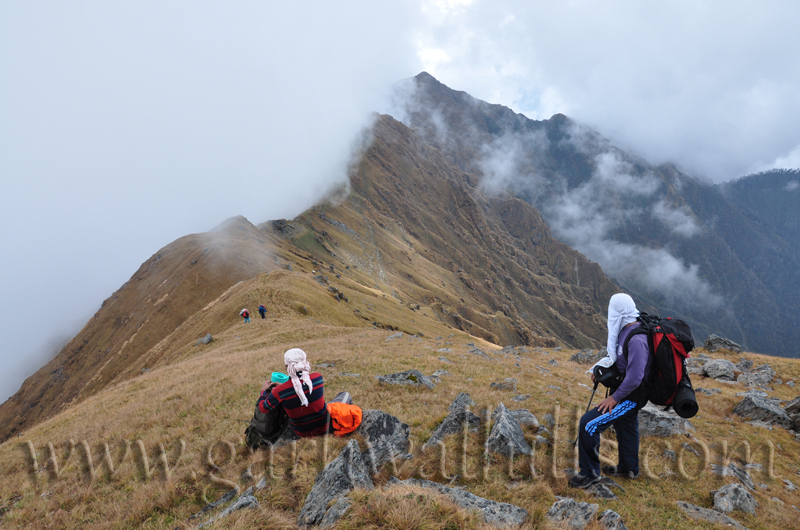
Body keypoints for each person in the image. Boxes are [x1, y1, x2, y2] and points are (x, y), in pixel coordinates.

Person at [570, 293, 651, 488]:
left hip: (631, 396)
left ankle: (589, 474)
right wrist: (602, 372)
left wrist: (614, 398)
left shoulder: (637, 340)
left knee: (588, 424)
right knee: (626, 425)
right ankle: (629, 468)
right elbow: (623, 364)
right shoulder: (628, 329)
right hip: (628, 393)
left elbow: (635, 377)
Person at [249, 348, 354, 445]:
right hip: (324, 426)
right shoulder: (317, 378)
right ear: (304, 362)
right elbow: (302, 388)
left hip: (301, 432)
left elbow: (263, 408)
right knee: (345, 395)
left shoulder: (280, 391)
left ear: (287, 366)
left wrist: (263, 391)